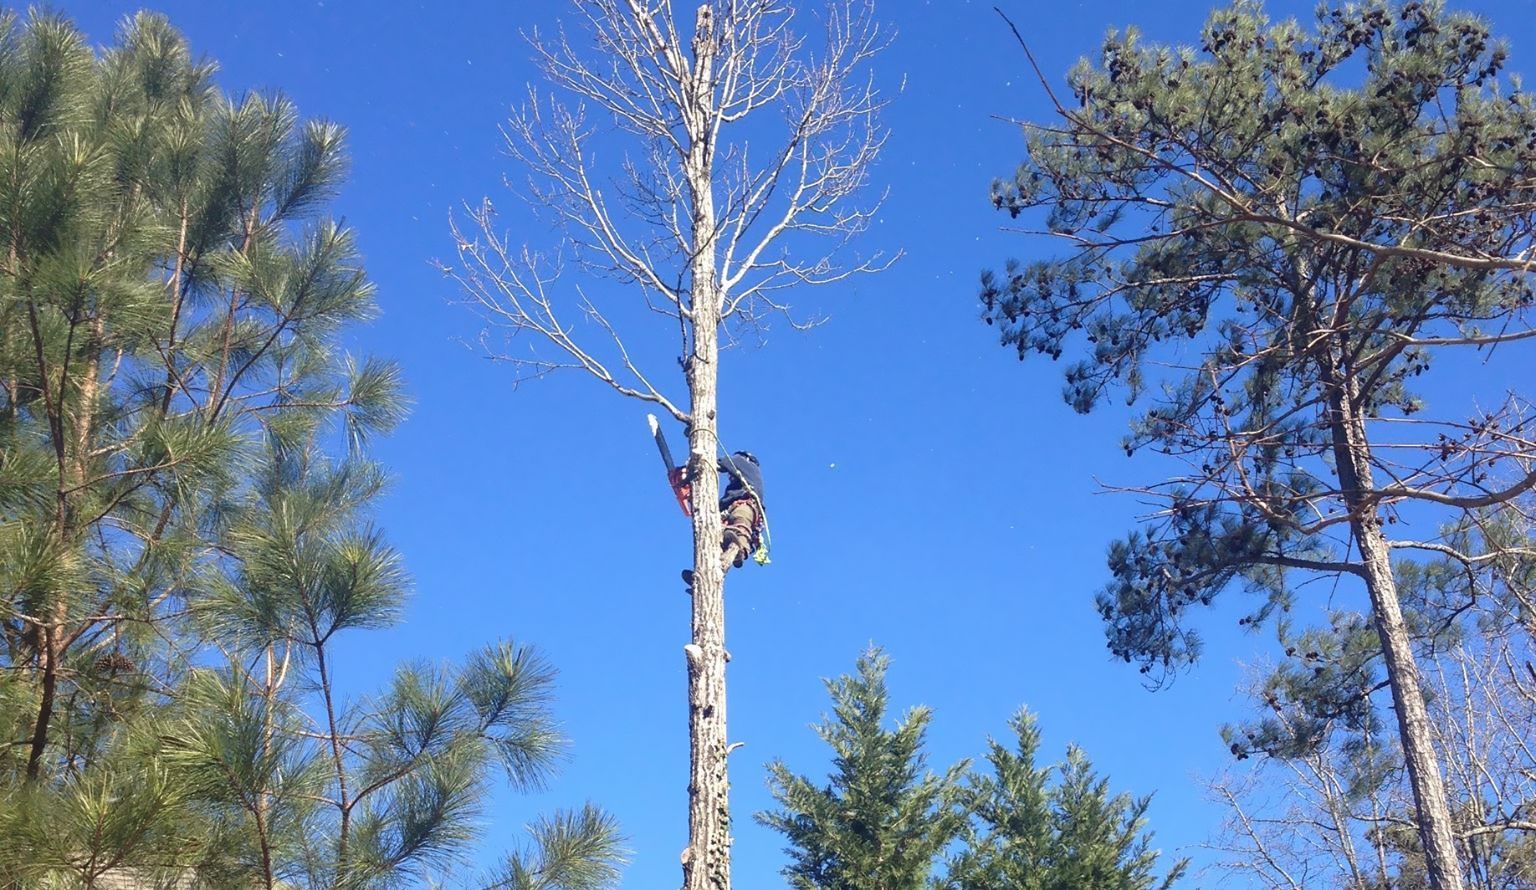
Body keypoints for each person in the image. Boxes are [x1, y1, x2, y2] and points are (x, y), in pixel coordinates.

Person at [681, 451, 765, 589]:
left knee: (739, 531)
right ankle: (704, 576)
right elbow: (719, 506)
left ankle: (737, 550)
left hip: (743, 508)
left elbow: (726, 462)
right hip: (735, 512)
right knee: (715, 544)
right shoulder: (737, 487)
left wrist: (704, 464)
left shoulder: (746, 465)